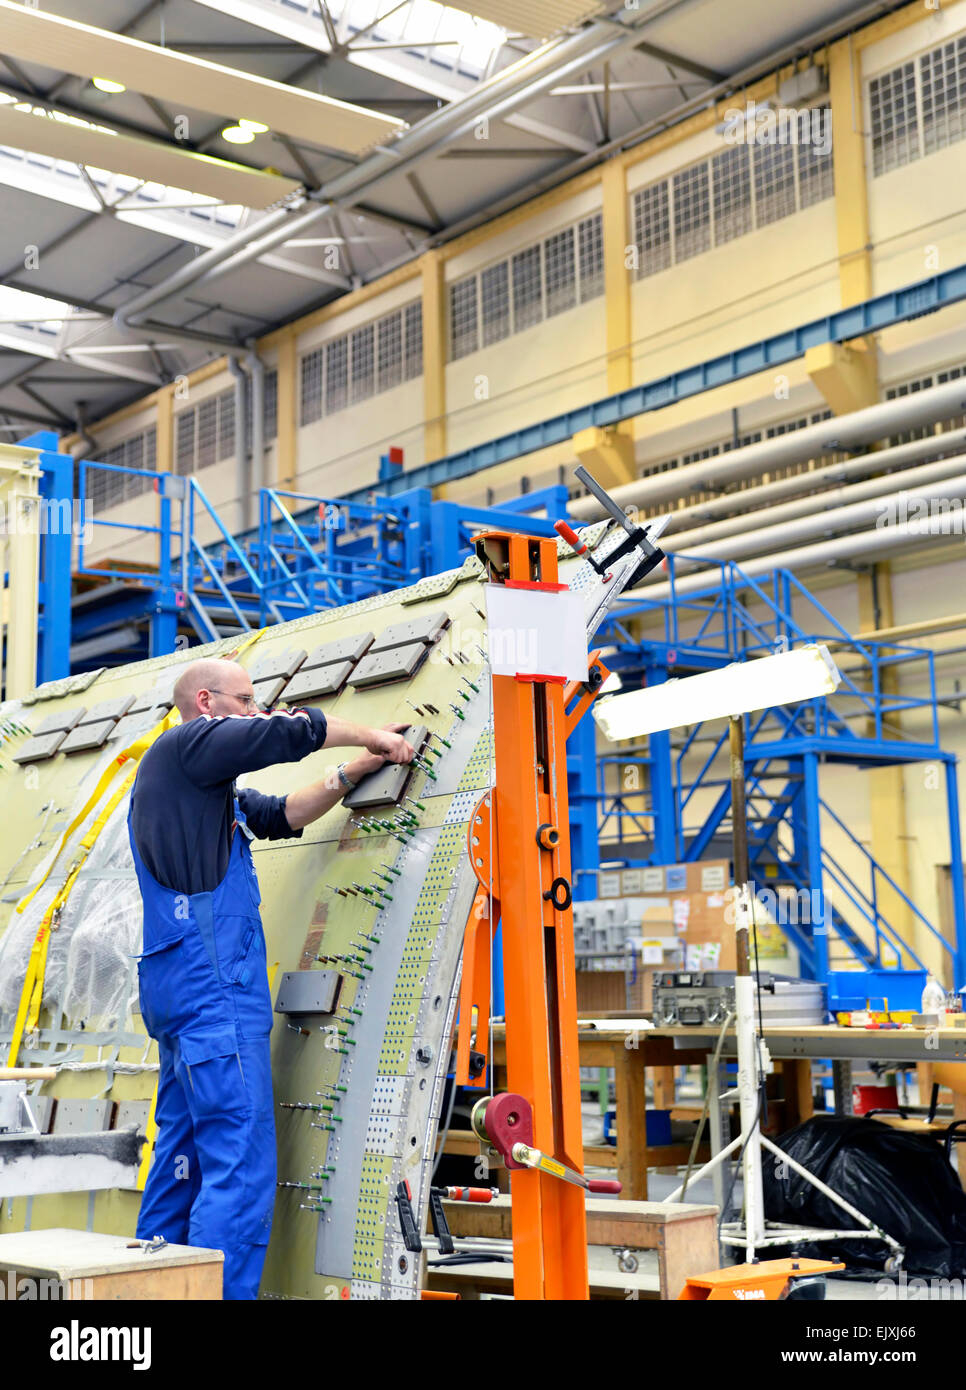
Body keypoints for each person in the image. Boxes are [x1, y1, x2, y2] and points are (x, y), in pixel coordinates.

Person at [127, 656, 414, 1299]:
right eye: (247, 700)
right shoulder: (187, 747)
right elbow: (284, 733)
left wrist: (349, 774)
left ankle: (146, 1296)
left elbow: (281, 814)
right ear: (207, 703)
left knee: (181, 1161)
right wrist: (375, 737)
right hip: (213, 996)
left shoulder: (199, 790)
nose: (257, 711)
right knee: (239, 1162)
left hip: (178, 996)